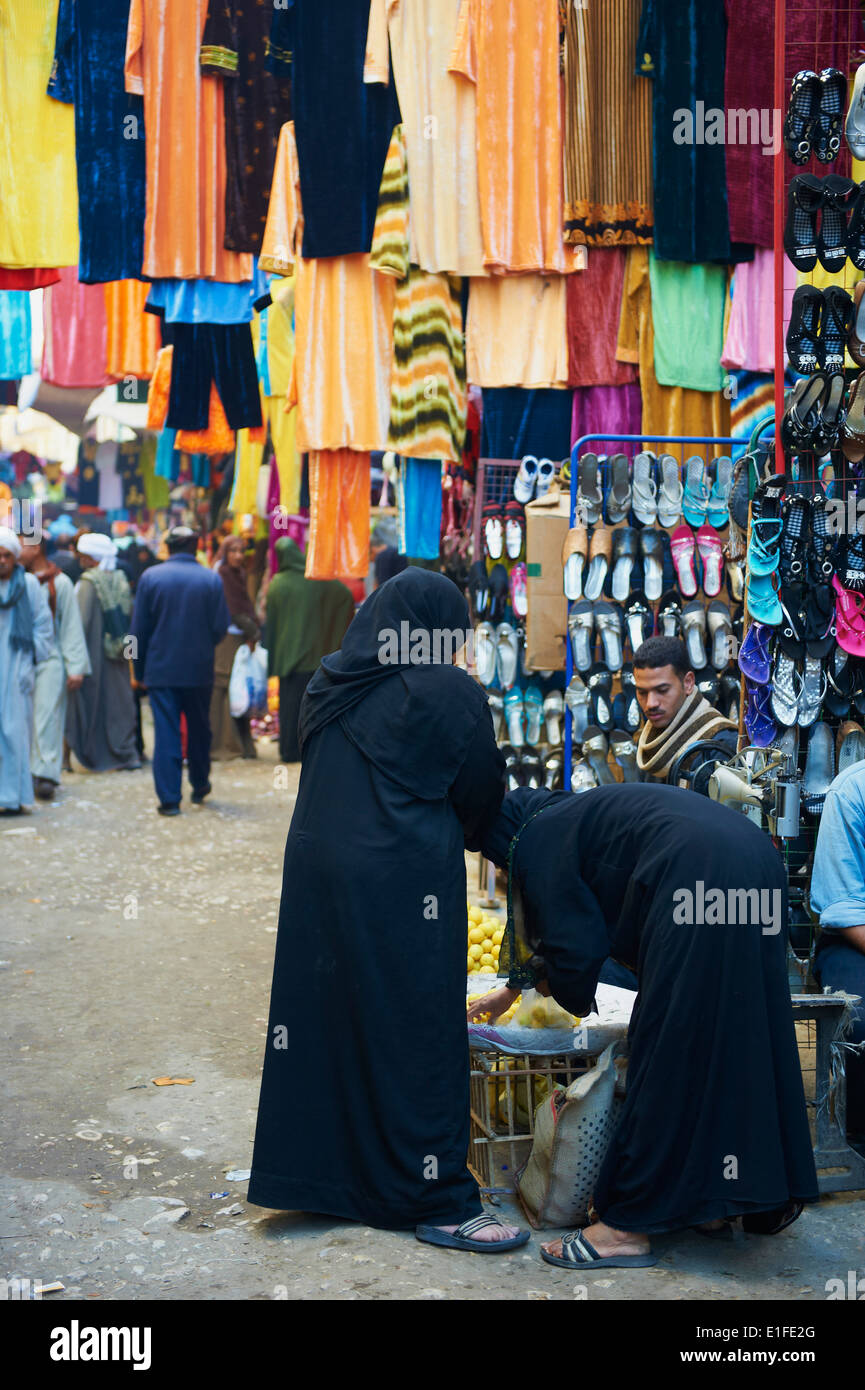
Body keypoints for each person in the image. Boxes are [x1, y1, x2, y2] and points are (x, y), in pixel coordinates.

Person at [248, 569, 529, 1251]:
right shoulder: (448, 693)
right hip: (404, 880)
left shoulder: (331, 678)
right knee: (417, 1025)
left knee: (327, 1019)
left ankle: (319, 1181)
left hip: (318, 869)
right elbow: (478, 797)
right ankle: (434, 1202)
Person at [469, 783, 819, 1268]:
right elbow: (565, 913)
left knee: (667, 1044)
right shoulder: (566, 819)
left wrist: (557, 983)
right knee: (736, 1035)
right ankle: (718, 1197)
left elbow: (575, 943)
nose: (506, 872)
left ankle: (625, 1227)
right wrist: (514, 987)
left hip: (696, 877)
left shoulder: (536, 839)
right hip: (754, 863)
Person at [130, 526, 230, 816]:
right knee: (200, 728)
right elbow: (220, 627)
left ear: (169, 547)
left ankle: (170, 799)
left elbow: (136, 632)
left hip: (161, 670)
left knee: (166, 732)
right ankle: (200, 784)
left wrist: (137, 668)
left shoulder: (150, 577)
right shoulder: (211, 579)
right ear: (196, 547)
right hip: (199, 669)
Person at [809, 762, 865, 1157]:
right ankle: (859, 1140)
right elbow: (844, 908)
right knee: (859, 1019)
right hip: (855, 935)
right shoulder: (852, 790)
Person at [265, 536, 355, 764]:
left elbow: (272, 624)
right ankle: (313, 753)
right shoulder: (318, 579)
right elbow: (345, 596)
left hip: (289, 660)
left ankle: (288, 752)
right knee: (314, 708)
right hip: (318, 658)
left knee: (289, 709)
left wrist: (273, 657)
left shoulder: (278, 583)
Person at [18, 533, 90, 800]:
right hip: (20, 659)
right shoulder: (15, 582)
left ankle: (45, 773)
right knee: (21, 719)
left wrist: (75, 666)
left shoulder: (59, 583)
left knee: (47, 718)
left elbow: (71, 626)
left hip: (50, 658)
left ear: (36, 548)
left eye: (21, 543)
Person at [66, 533, 141, 774]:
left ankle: (98, 757)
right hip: (120, 655)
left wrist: (74, 659)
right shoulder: (121, 578)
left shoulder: (88, 583)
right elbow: (132, 621)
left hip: (95, 656)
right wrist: (132, 656)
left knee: (94, 705)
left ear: (89, 557)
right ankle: (127, 754)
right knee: (122, 705)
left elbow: (79, 623)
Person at [0, 527, 55, 813]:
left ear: (15, 557)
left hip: (17, 669)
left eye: (7, 555)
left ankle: (12, 797)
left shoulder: (30, 586)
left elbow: (44, 628)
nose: (1, 561)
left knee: (14, 732)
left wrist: (28, 662)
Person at [632, 636, 738, 782]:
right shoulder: (650, 744)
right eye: (642, 692)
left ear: (688, 683)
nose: (651, 703)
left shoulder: (721, 745)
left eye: (662, 690)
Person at [210, 535, 258, 760]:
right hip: (227, 639)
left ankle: (239, 744)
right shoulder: (224, 574)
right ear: (225, 553)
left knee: (237, 687)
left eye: (242, 551)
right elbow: (235, 611)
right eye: (233, 551)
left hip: (238, 639)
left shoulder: (238, 574)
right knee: (225, 686)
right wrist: (254, 631)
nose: (239, 555)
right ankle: (224, 745)